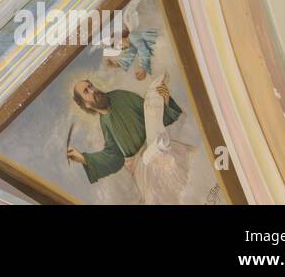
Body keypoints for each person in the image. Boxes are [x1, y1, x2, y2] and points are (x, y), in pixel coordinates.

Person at [65, 75, 194, 204]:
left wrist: (165, 100)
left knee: (190, 175)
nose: (93, 90)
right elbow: (113, 156)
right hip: (143, 168)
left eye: (90, 86)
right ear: (85, 104)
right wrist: (84, 159)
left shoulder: (121, 96)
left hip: (161, 147)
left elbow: (153, 115)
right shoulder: (104, 124)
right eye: (86, 91)